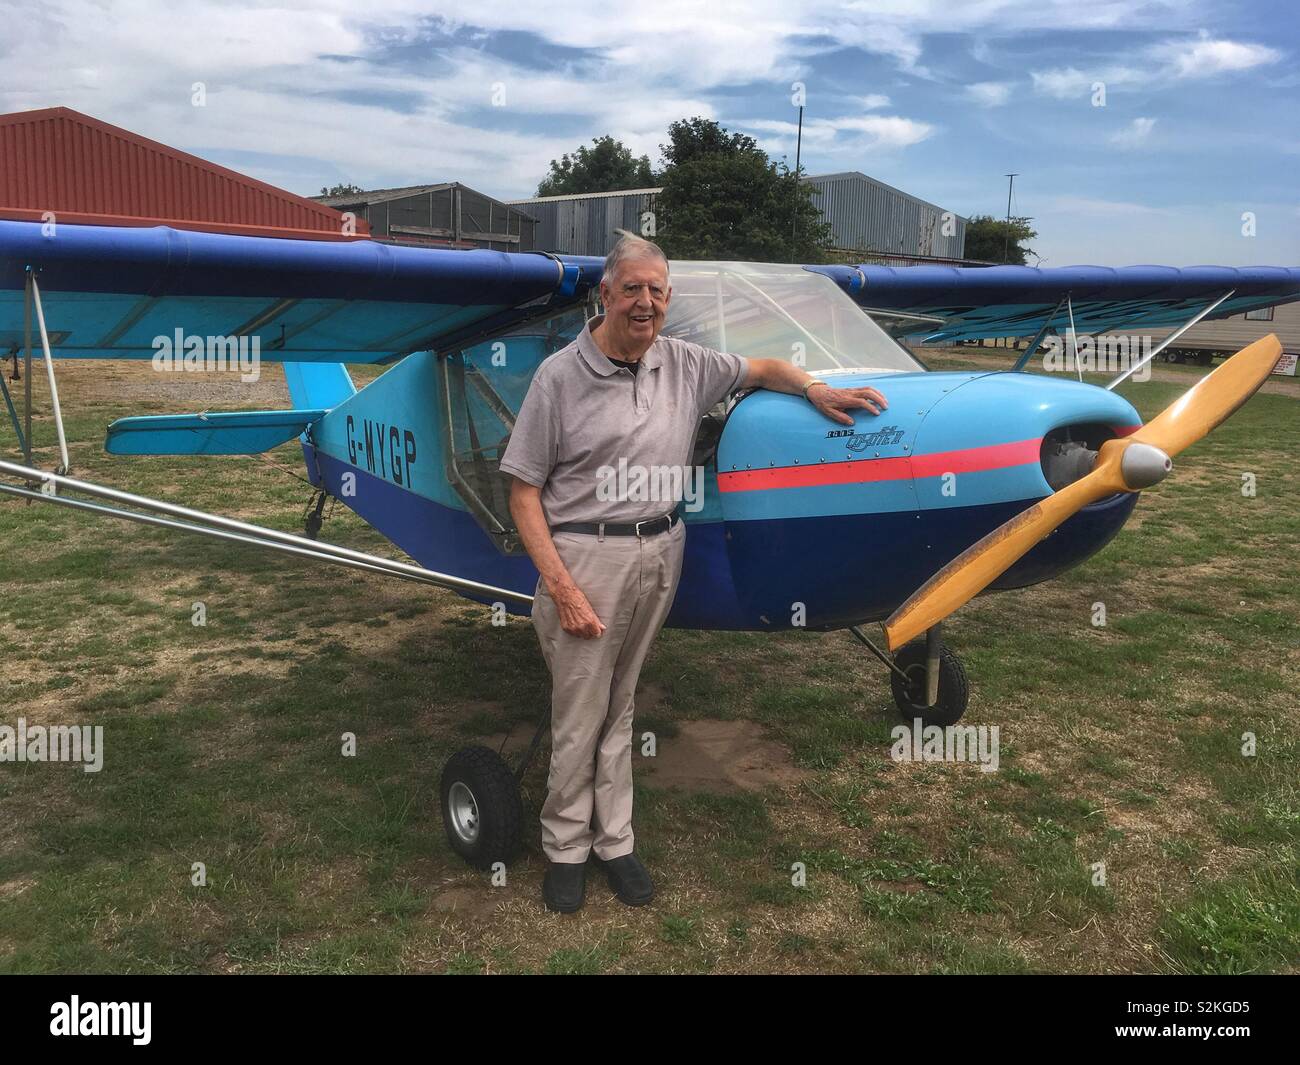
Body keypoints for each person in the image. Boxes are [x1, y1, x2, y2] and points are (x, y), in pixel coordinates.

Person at [499, 236, 888, 913]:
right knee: (579, 711)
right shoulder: (559, 376)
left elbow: (764, 365)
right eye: (632, 289)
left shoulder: (685, 363)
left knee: (620, 704)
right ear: (606, 294)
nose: (645, 302)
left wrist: (816, 386)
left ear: (668, 299)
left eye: (657, 290)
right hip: (588, 555)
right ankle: (565, 848)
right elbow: (523, 489)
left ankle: (614, 842)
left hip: (660, 549)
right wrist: (560, 585)